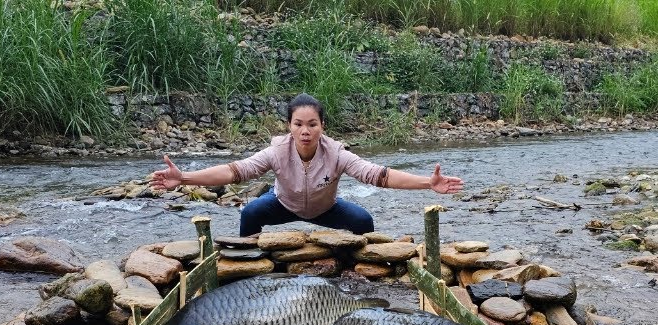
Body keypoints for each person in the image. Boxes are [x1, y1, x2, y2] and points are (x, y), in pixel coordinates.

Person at [148, 93, 464, 237]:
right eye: (298, 124)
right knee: (250, 212)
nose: (305, 131)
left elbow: (377, 175)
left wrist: (428, 182)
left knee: (363, 221)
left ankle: (351, 270)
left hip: (327, 209)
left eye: (312, 124)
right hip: (282, 205)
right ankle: (248, 266)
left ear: (322, 126)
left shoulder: (337, 153)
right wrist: (185, 177)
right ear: (289, 126)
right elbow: (235, 171)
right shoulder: (276, 151)